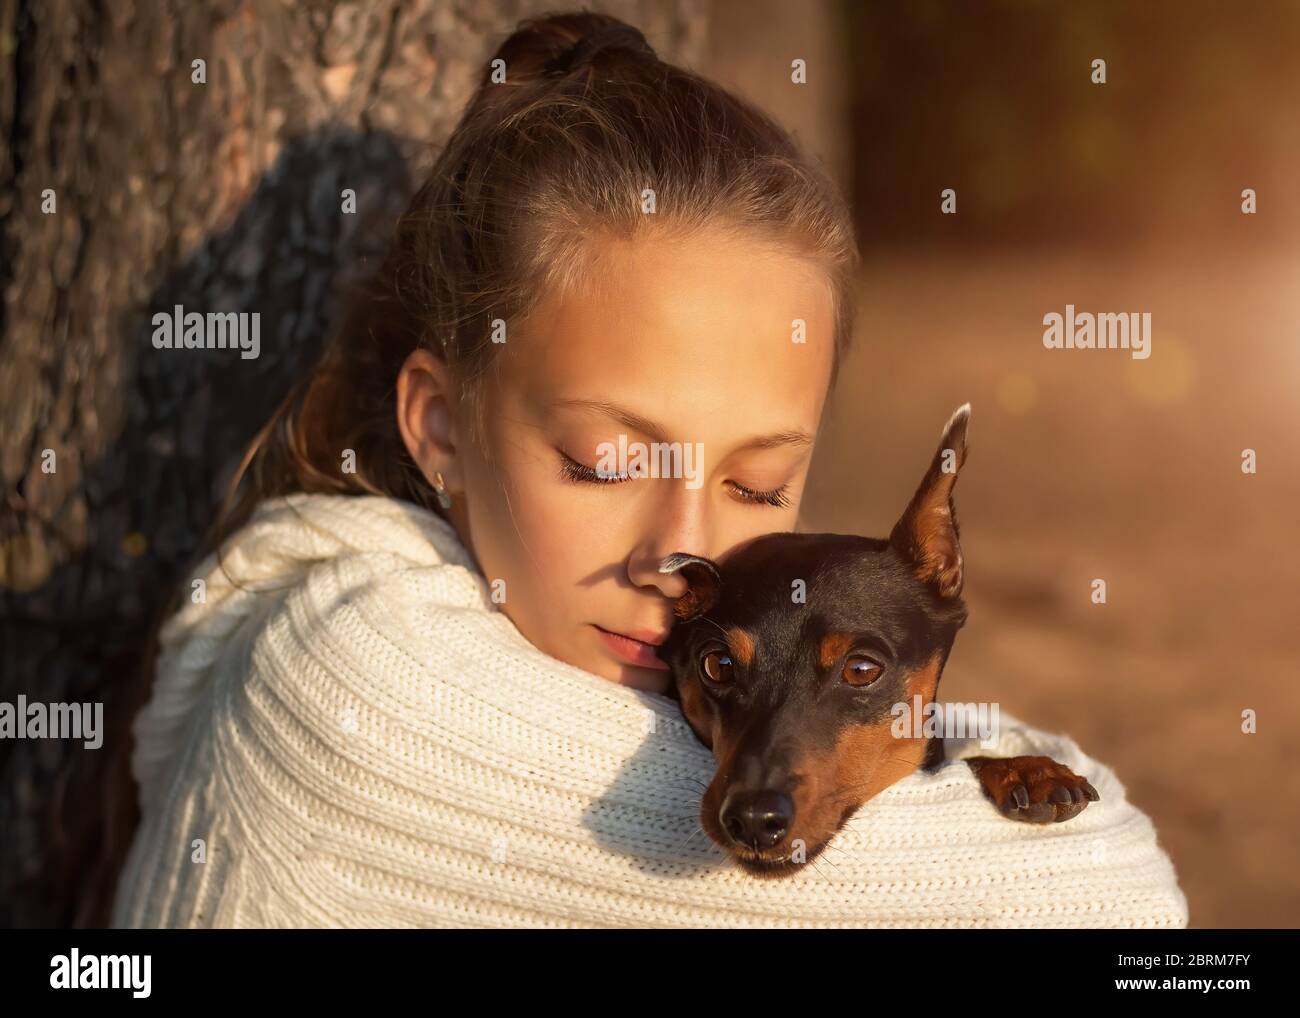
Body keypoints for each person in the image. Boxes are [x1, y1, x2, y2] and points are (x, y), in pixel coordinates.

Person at [101, 11, 1187, 927]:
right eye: (601, 460)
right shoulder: (356, 684)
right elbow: (1105, 894)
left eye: (758, 485)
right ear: (437, 427)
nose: (687, 549)